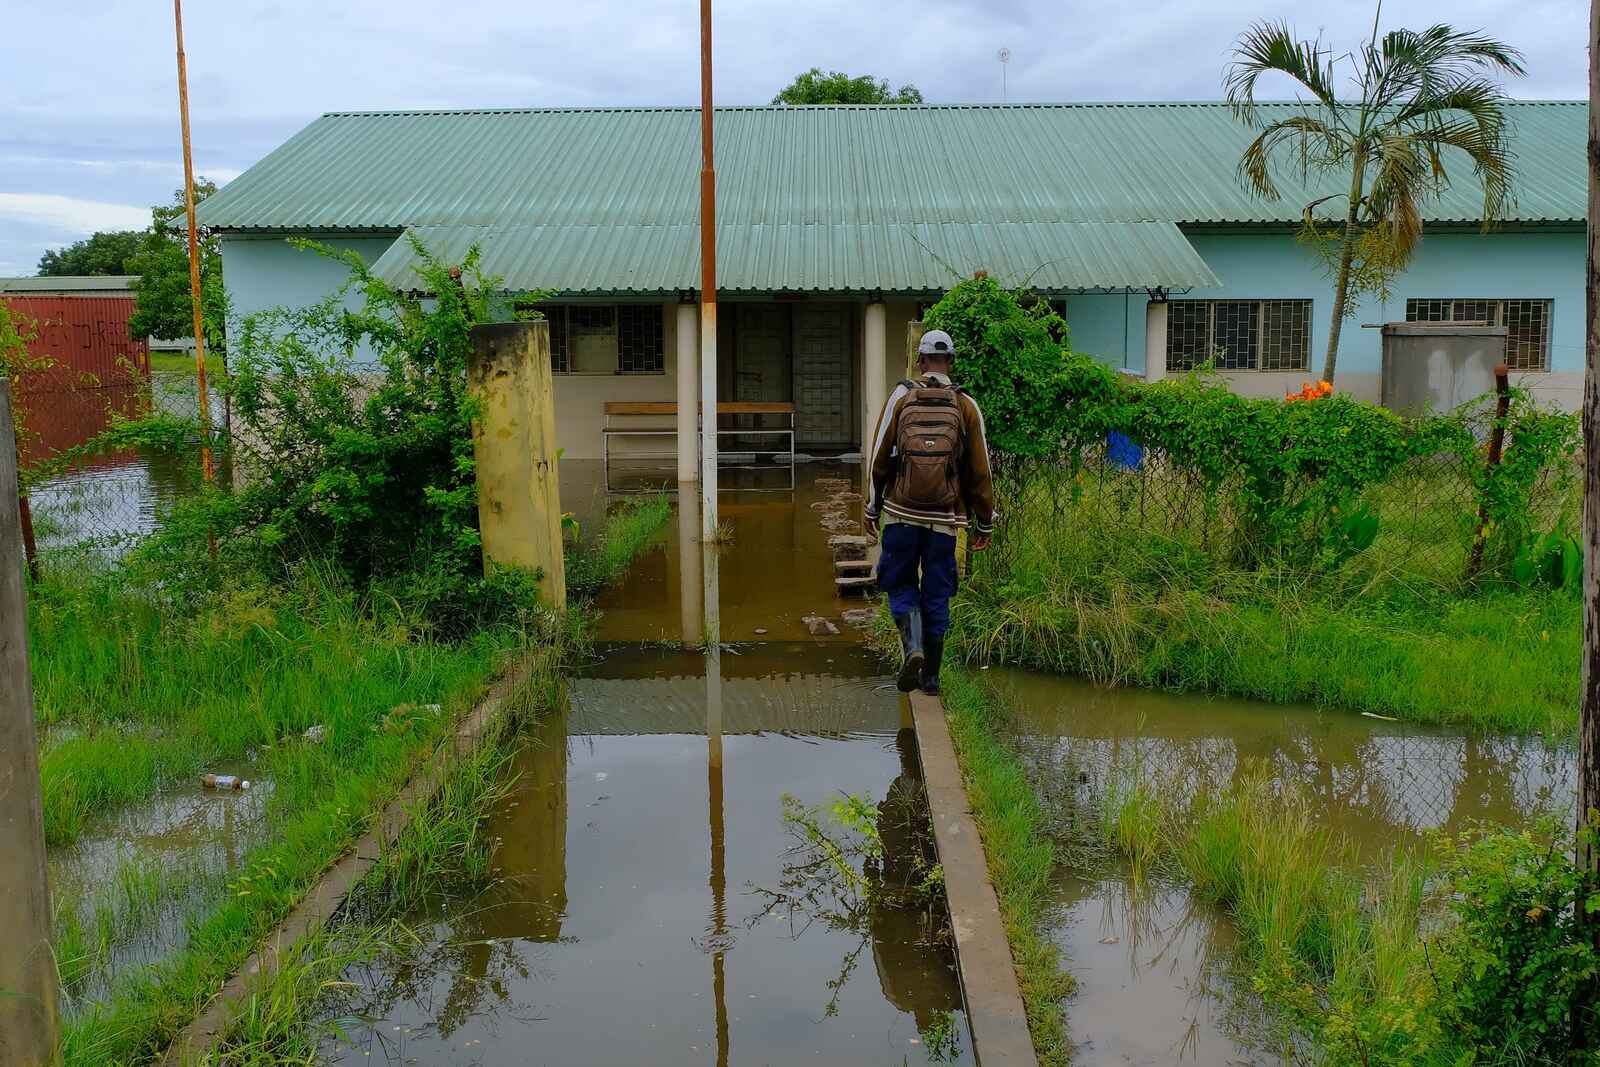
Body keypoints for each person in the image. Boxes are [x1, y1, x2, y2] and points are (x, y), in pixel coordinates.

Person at [864, 329, 996, 695]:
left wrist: (872, 509)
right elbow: (980, 471)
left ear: (920, 361)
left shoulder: (901, 396)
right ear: (950, 361)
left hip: (901, 515)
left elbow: (878, 458)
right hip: (945, 521)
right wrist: (984, 522)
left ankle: (913, 648)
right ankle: (932, 679)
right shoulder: (966, 405)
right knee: (937, 594)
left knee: (899, 584)